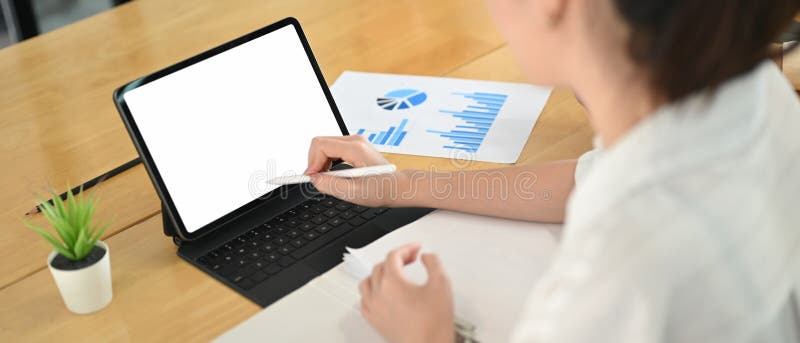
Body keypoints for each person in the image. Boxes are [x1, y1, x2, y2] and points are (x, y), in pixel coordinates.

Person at [304, 0, 800, 342]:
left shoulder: (626, 253)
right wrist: (401, 183)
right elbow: (582, 180)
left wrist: (429, 336)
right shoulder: (755, 92)